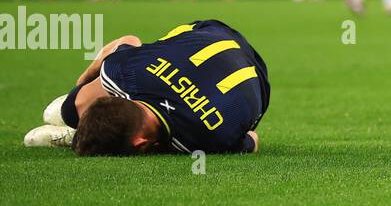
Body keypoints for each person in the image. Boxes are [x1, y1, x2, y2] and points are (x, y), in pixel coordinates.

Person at [25, 19, 269, 155]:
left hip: (247, 68)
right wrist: (84, 81)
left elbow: (253, 139)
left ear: (140, 142)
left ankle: (76, 130)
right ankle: (81, 124)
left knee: (71, 110)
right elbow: (128, 40)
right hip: (212, 36)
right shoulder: (123, 71)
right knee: (70, 109)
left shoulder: (203, 142)